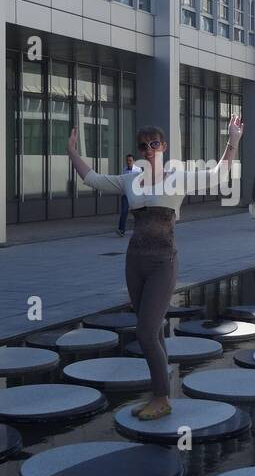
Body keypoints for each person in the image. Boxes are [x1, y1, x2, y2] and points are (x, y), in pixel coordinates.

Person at [68, 116, 244, 420]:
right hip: (134, 262)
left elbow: (219, 173)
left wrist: (233, 140)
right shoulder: (130, 179)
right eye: (143, 145)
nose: (148, 149)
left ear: (163, 146)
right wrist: (71, 151)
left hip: (164, 262)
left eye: (154, 144)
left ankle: (162, 398)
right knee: (155, 331)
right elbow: (92, 179)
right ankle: (161, 390)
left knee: (146, 331)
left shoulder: (178, 176)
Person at [116, 153, 140, 237]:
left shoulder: (138, 170)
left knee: (138, 212)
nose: (128, 162)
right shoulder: (124, 170)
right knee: (124, 211)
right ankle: (121, 230)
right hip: (126, 194)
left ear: (134, 161)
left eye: (130, 160)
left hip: (135, 195)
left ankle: (139, 230)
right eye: (127, 160)